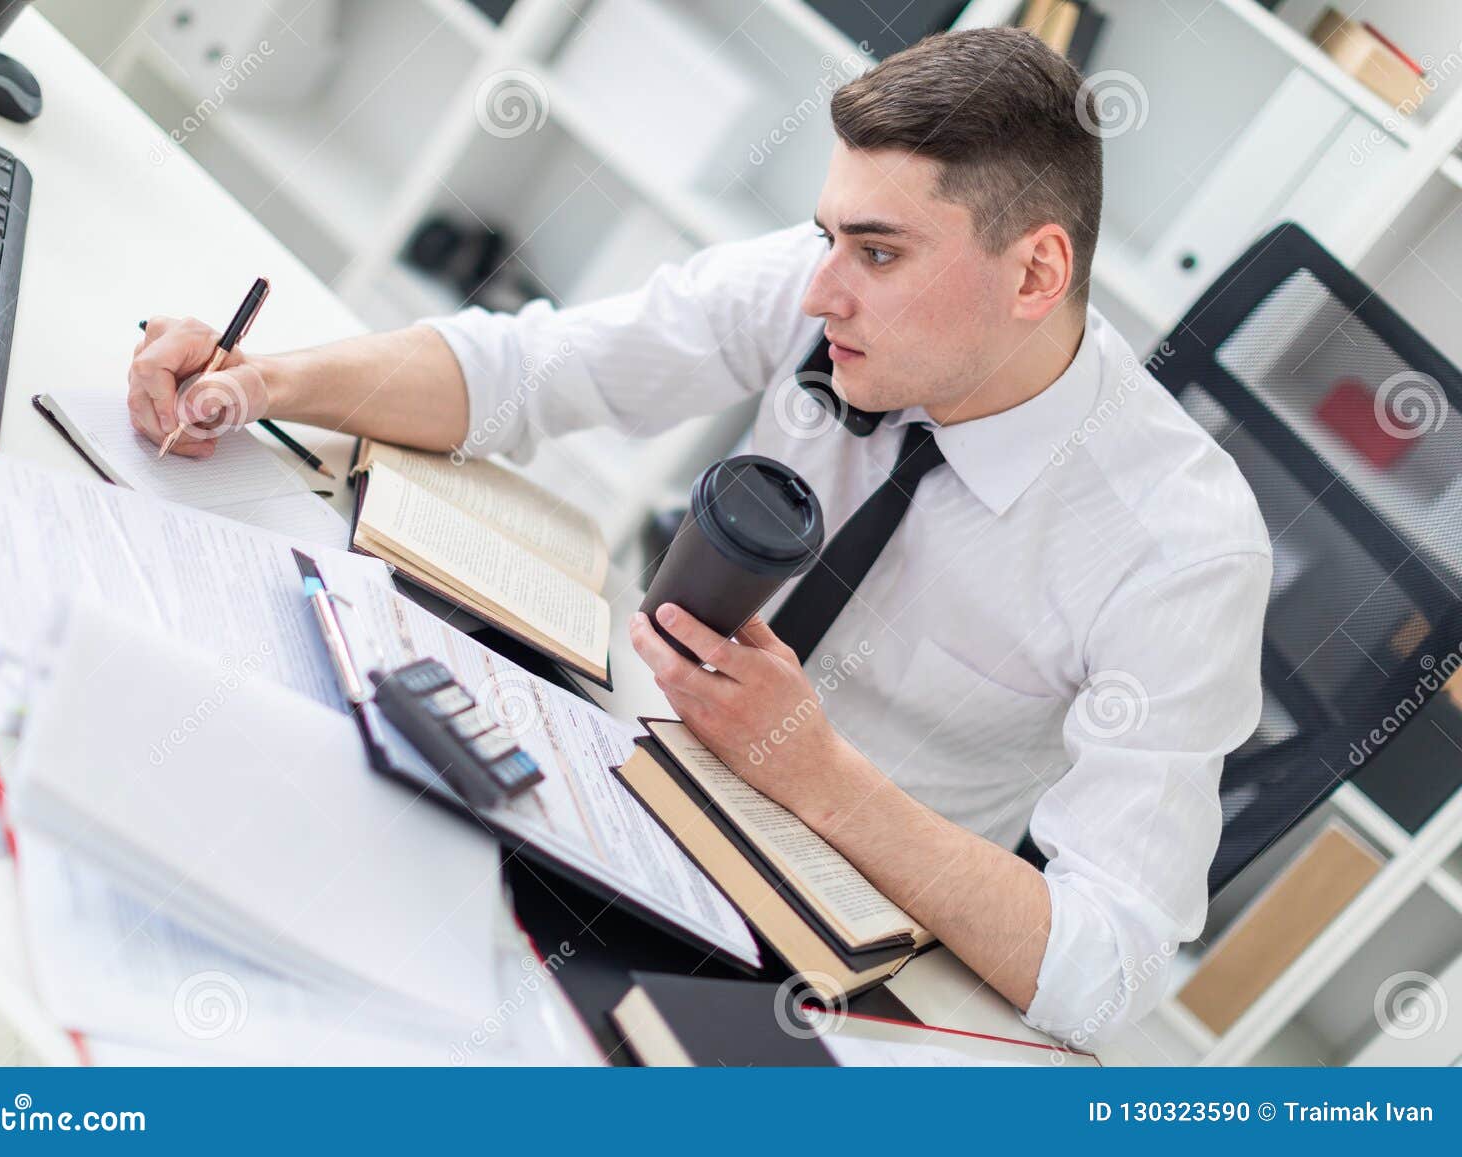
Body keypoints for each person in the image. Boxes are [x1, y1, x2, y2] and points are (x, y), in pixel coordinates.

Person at [125, 28, 1271, 1048]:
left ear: (1035, 272)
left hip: (818, 949)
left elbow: (1106, 965)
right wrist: (261, 381)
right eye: (827, 235)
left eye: (877, 252)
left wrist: (816, 773)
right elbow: (527, 371)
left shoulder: (1180, 549)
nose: (821, 288)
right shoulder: (821, 283)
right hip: (624, 782)